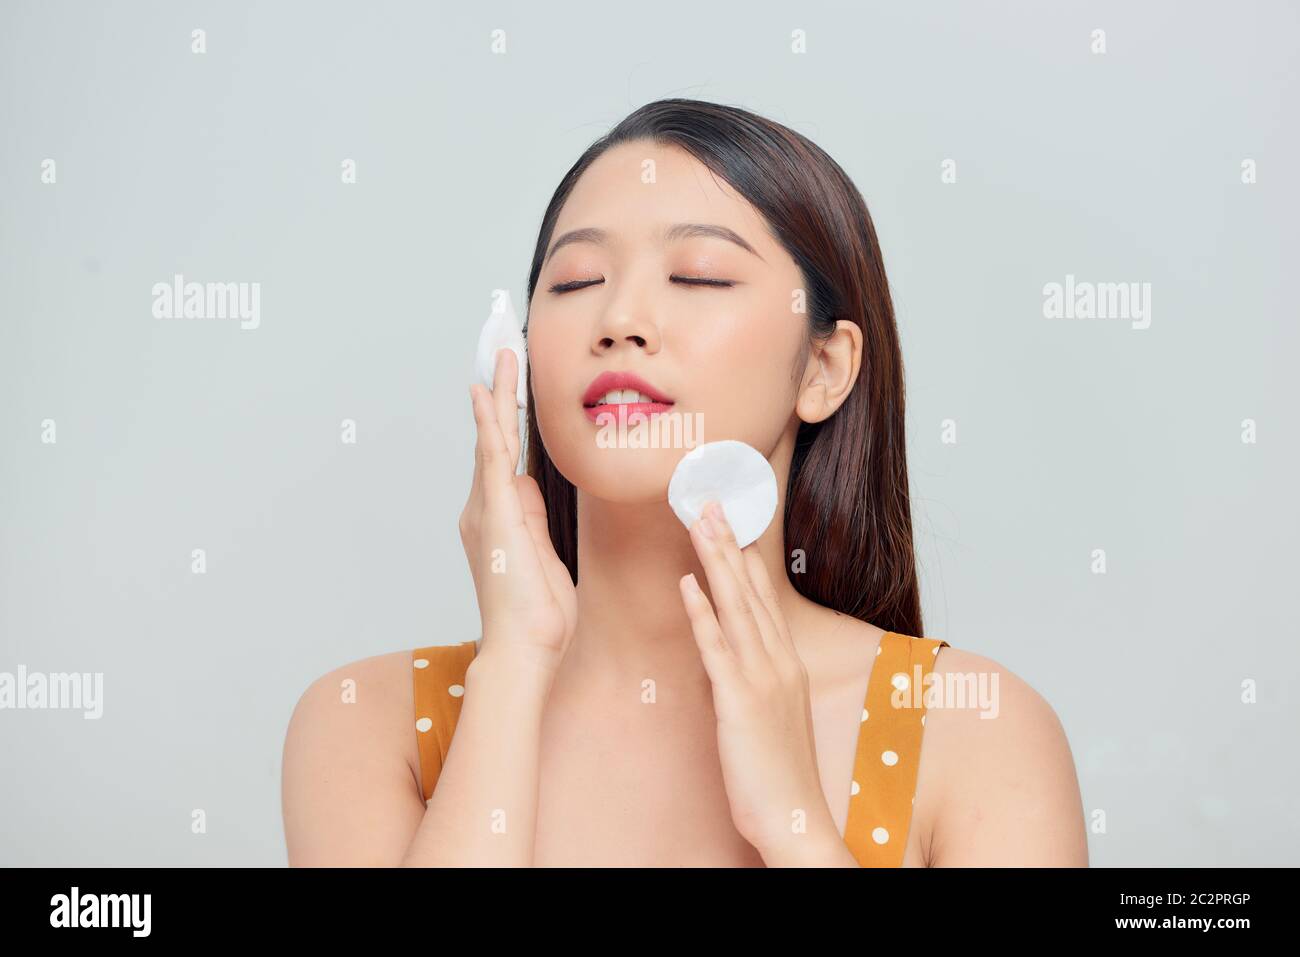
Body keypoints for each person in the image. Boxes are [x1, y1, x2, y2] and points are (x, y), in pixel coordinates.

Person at [281, 98, 1088, 867]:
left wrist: (796, 826)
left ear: (823, 366)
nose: (620, 318)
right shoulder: (365, 722)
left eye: (699, 276)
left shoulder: (975, 727)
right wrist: (512, 667)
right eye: (575, 281)